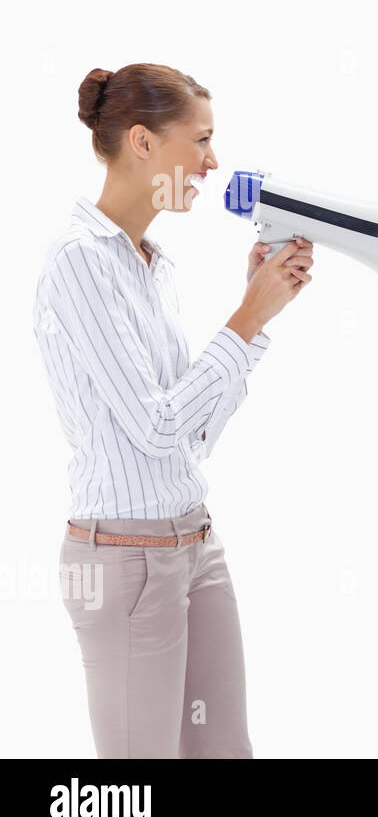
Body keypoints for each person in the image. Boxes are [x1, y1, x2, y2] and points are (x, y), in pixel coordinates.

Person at [35, 63, 313, 758]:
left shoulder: (152, 265)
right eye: (202, 140)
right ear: (143, 143)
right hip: (126, 564)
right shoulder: (79, 263)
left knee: (225, 751)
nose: (213, 163)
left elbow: (190, 434)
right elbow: (157, 428)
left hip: (194, 546)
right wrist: (245, 319)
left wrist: (254, 319)